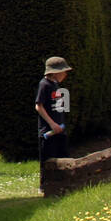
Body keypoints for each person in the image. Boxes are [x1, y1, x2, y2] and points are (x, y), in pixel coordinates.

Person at [36, 56, 73, 194]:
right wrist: (52, 124)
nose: (65, 74)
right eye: (64, 71)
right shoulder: (44, 84)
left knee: (63, 156)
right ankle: (45, 186)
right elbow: (39, 106)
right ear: (55, 72)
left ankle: (63, 184)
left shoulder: (56, 85)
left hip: (59, 130)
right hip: (48, 131)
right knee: (47, 159)